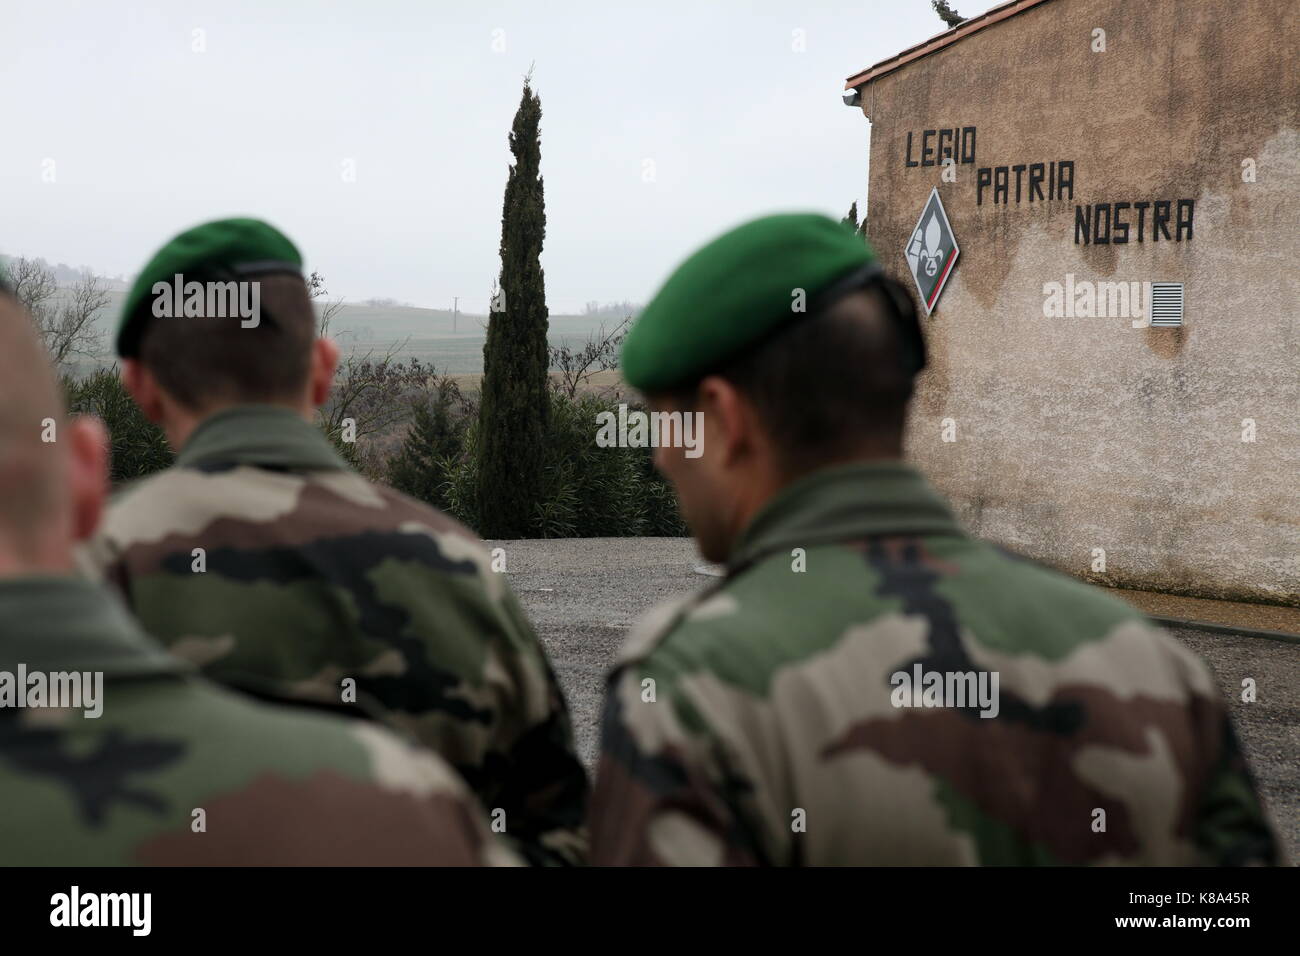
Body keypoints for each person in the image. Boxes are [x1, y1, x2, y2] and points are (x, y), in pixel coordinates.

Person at [588, 212, 1280, 866]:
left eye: (668, 425)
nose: (661, 457)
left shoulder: (690, 689)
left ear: (725, 417)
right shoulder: (1154, 666)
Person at [81, 218, 586, 865]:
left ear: (140, 387)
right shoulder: (460, 568)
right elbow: (560, 836)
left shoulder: (82, 567)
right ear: (322, 370)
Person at [0, 288, 516, 866]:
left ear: (141, 387)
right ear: (87, 472)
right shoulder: (403, 807)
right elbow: (548, 816)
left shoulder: (114, 554)